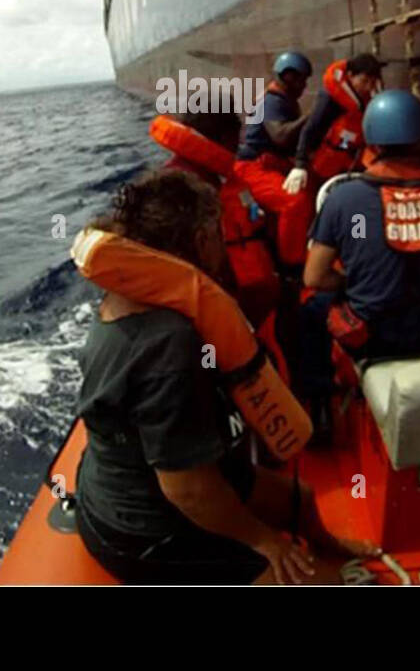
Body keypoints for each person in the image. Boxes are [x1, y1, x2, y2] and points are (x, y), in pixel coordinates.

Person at [74, 168, 376, 584]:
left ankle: (330, 547)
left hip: (159, 474)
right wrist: (266, 541)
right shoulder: (167, 344)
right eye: (219, 234)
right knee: (320, 582)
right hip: (146, 528)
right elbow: (188, 490)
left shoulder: (131, 293)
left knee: (301, 500)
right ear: (202, 240)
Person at [301, 90, 420, 417]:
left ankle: (319, 402)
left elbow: (314, 276)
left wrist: (352, 279)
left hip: (375, 338)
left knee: (311, 307)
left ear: (373, 144)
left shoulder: (343, 199)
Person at [149, 110, 279, 326]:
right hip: (226, 309)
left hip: (253, 296)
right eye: (234, 141)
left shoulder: (217, 178)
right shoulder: (179, 188)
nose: (237, 148)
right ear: (218, 137)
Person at [235, 51, 313, 267]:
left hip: (269, 163)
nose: (303, 86)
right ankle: (293, 263)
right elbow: (279, 136)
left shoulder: (282, 100)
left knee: (313, 183)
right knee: (294, 202)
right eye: (300, 80)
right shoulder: (272, 102)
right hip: (252, 167)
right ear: (287, 76)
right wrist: (311, 117)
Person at [283, 53, 384, 199]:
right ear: (350, 75)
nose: (368, 87)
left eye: (372, 82)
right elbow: (311, 129)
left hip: (351, 161)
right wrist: (300, 165)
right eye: (364, 81)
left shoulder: (367, 99)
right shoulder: (330, 99)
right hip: (322, 165)